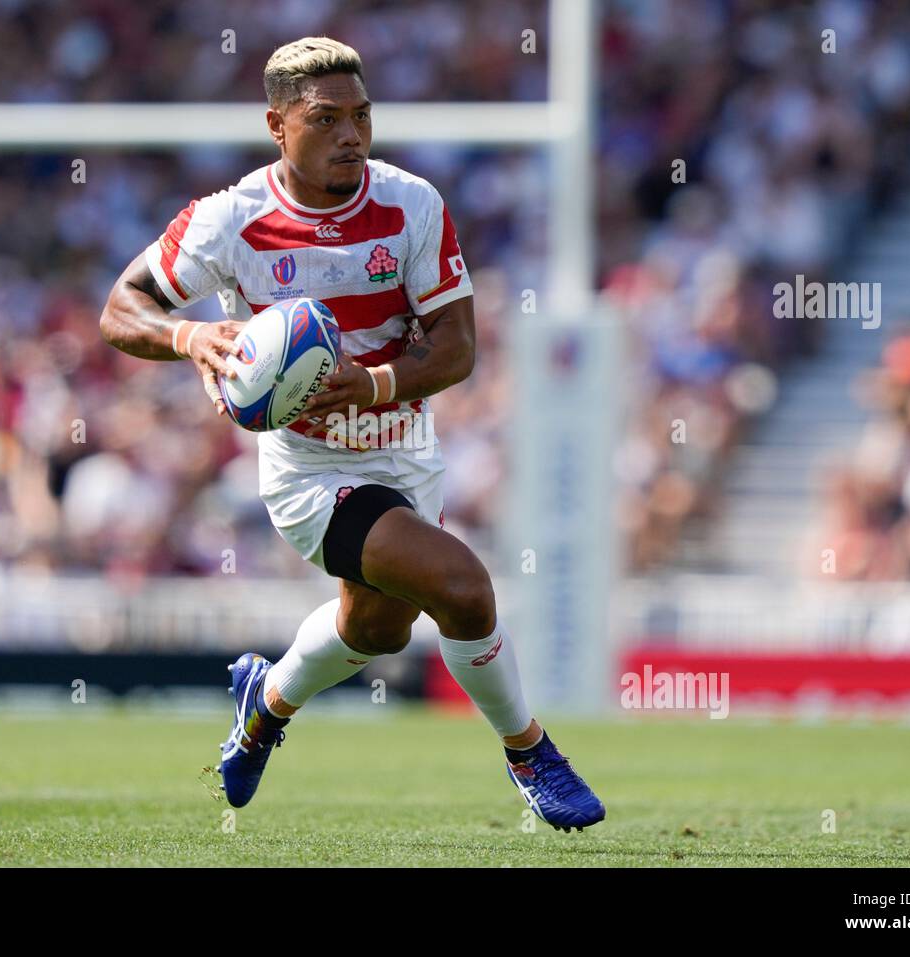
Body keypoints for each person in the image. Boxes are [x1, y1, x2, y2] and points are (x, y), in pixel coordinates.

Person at [99, 37, 605, 831]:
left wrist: (372, 383)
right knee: (462, 588)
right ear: (278, 125)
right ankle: (530, 751)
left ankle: (262, 706)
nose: (351, 136)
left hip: (406, 452)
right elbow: (120, 309)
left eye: (361, 117)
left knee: (375, 627)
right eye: (326, 119)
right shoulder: (230, 220)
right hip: (307, 470)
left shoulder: (411, 205)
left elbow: (457, 347)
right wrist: (190, 338)